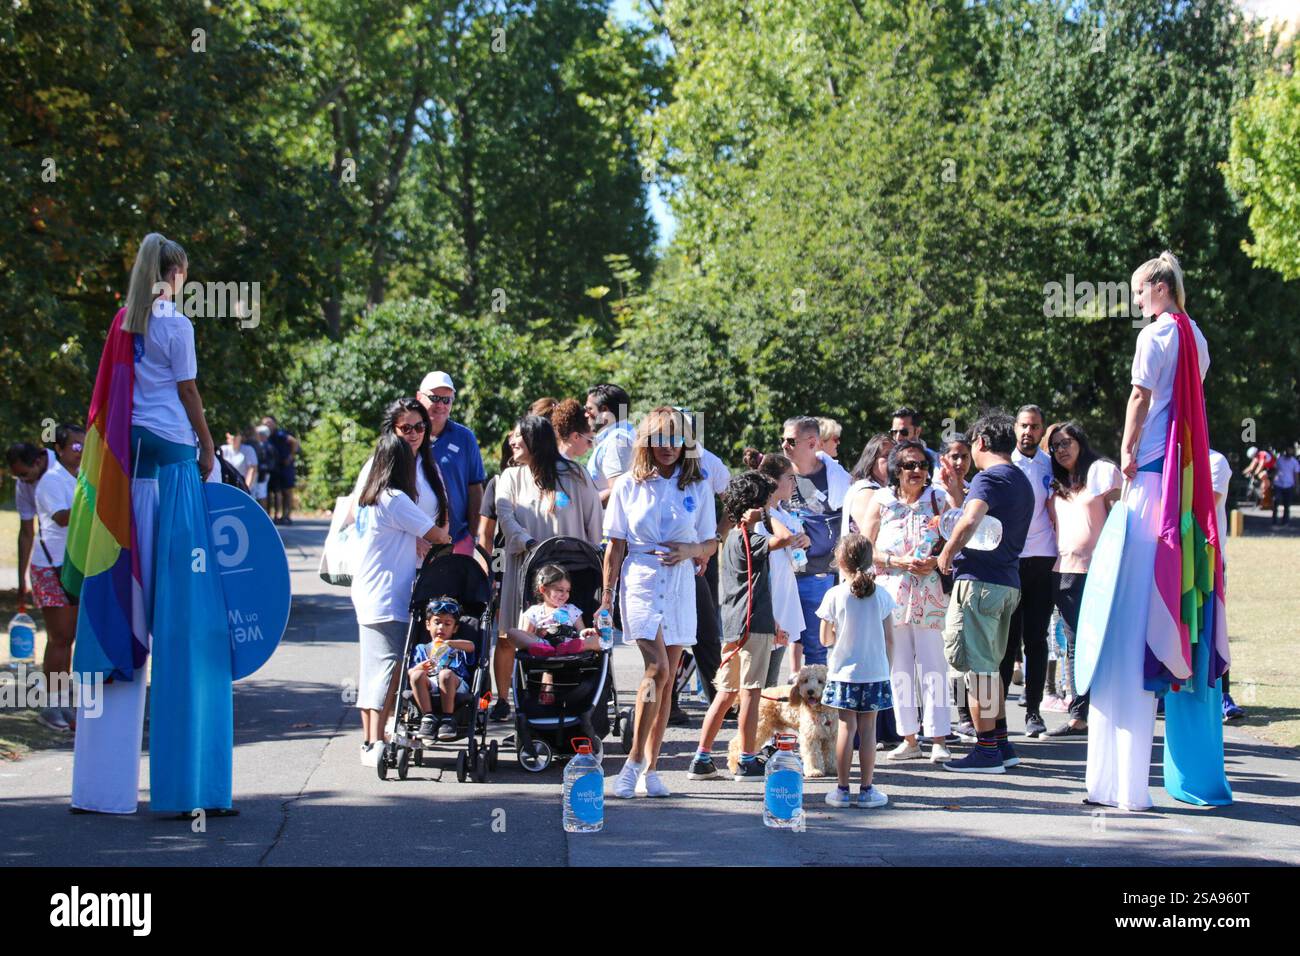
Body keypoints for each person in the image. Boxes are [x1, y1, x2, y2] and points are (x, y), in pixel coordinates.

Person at [66, 232, 236, 815]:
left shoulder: (122, 322)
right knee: (186, 624)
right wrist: (208, 445)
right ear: (176, 272)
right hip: (171, 470)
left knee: (120, 602)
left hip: (124, 478)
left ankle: (101, 789)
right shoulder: (176, 324)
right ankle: (188, 785)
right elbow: (187, 390)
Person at [1087, 251, 1229, 810]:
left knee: (1125, 625)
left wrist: (1124, 449)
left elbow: (1141, 396)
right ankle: (1129, 780)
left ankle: (1121, 784)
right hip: (1182, 490)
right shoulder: (1195, 335)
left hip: (1149, 484)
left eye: (1140, 292)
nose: (1137, 301)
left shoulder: (1155, 337)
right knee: (1151, 612)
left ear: (1160, 288)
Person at [599, 407, 717, 798]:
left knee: (667, 683)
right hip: (641, 578)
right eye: (660, 439)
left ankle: (652, 767)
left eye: (676, 438)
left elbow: (711, 541)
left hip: (681, 582)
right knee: (656, 669)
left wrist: (693, 549)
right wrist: (605, 598)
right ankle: (632, 762)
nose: (668, 447)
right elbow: (614, 545)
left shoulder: (697, 485)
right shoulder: (629, 486)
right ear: (647, 442)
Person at [937, 411, 1034, 773]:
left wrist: (947, 552)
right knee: (990, 670)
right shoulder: (1018, 480)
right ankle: (1002, 744)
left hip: (977, 584)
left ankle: (986, 751)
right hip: (1006, 583)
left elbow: (972, 519)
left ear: (979, 443)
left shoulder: (989, 477)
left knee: (977, 673)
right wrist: (956, 492)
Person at [351, 429, 452, 765]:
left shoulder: (369, 497)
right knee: (389, 669)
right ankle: (376, 741)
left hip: (367, 590)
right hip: (388, 593)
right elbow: (437, 534)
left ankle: (370, 739)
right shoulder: (395, 499)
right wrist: (442, 535)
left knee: (372, 669)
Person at [493, 416, 603, 719]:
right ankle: (510, 701)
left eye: (519, 436)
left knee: (568, 639)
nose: (513, 442)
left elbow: (593, 518)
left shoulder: (575, 473)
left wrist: (593, 553)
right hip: (526, 568)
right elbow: (506, 515)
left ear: (535, 439)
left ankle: (577, 703)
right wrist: (526, 542)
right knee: (518, 637)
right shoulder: (511, 477)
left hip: (573, 572)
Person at [862, 439, 964, 763]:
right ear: (896, 469)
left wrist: (935, 561)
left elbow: (957, 536)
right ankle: (909, 737)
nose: (917, 470)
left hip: (929, 592)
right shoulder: (880, 501)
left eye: (921, 464)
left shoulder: (937, 499)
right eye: (909, 465)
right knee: (899, 668)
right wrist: (896, 561)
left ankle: (938, 739)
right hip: (892, 592)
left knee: (934, 665)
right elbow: (864, 548)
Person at [688, 471, 783, 780]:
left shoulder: (730, 538)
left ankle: (701, 757)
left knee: (726, 692)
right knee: (751, 693)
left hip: (735, 623)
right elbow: (784, 539)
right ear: (756, 504)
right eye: (767, 500)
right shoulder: (749, 536)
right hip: (751, 625)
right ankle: (747, 758)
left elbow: (752, 585)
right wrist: (770, 516)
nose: (771, 505)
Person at [1042, 422, 1121, 738]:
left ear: (1081, 442)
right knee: (1075, 644)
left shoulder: (1102, 472)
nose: (1061, 449)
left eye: (1066, 442)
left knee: (1107, 641)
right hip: (1065, 574)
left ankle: (1113, 710)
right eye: (1056, 446)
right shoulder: (1057, 486)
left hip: (1100, 573)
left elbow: (1119, 519)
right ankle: (1079, 715)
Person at [818, 533, 896, 808]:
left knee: (845, 729)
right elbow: (889, 639)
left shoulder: (834, 595)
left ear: (841, 561)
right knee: (869, 730)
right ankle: (867, 789)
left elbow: (825, 639)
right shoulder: (883, 595)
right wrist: (888, 665)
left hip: (844, 673)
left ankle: (841, 789)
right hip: (874, 671)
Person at [781, 416, 851, 673]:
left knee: (816, 646)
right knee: (775, 642)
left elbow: (849, 526)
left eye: (790, 441)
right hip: (780, 574)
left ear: (811, 443)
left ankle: (819, 710)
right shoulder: (778, 474)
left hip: (817, 575)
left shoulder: (836, 479)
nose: (784, 446)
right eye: (783, 440)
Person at [1005, 404, 1058, 739]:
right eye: (1024, 426)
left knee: (1037, 640)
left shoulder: (1050, 465)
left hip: (1043, 560)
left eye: (1035, 427)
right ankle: (995, 719)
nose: (1028, 432)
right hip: (1010, 561)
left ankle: (1034, 712)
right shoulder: (1003, 463)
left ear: (1042, 431)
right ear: (1015, 428)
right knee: (1007, 641)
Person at [672, 429, 730, 725]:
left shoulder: (708, 461)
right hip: (667, 561)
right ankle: (667, 703)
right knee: (669, 634)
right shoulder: (654, 469)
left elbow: (733, 500)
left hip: (701, 555)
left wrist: (714, 540)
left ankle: (720, 698)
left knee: (705, 631)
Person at [29, 425, 84, 732]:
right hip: (50, 566)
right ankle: (50, 705)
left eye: (85, 446)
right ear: (60, 449)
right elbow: (63, 517)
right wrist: (95, 503)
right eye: (75, 446)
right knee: (59, 638)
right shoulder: (51, 481)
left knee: (70, 638)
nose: (81, 451)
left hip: (73, 565)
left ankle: (64, 701)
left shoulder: (81, 479)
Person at [352, 399, 450, 564]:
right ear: (393, 431)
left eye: (419, 427)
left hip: (428, 566)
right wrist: (413, 540)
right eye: (406, 428)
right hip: (392, 563)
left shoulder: (430, 466)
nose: (414, 434)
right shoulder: (377, 467)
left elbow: (444, 507)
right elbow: (361, 514)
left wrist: (440, 538)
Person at [743, 449, 808, 687]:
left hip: (783, 602)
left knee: (770, 679)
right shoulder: (759, 520)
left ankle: (764, 723)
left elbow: (797, 560)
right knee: (757, 683)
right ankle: (755, 723)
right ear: (772, 482)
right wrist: (770, 617)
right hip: (766, 606)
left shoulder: (784, 514)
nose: (794, 483)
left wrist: (804, 542)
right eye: (790, 477)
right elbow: (762, 566)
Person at [504, 564, 601, 706]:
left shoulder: (571, 609)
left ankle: (576, 646)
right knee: (512, 633)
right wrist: (537, 633)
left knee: (599, 639)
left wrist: (584, 633)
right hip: (543, 643)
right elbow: (526, 635)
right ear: (543, 589)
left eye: (567, 591)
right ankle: (541, 648)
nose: (564, 594)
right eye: (559, 590)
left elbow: (580, 630)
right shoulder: (534, 611)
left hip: (568, 643)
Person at [418, 370, 486, 556]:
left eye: (446, 399)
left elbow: (475, 488)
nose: (440, 404)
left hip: (456, 541)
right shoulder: (409, 434)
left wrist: (471, 537)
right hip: (414, 540)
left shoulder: (465, 438)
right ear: (419, 397)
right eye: (434, 398)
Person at [1208, 448, 1245, 723]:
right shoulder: (1165, 458)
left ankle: (1222, 694)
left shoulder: (1215, 461)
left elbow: (1207, 503)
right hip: (1169, 559)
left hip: (1209, 558)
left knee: (1214, 624)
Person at [409, 597, 475, 741]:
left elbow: (471, 646)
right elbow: (410, 673)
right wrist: (420, 667)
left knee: (445, 674)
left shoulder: (457, 646)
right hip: (430, 683)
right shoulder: (422, 648)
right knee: (416, 675)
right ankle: (428, 718)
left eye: (447, 624)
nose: (441, 627)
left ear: (455, 628)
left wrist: (450, 643)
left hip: (455, 684)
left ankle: (448, 718)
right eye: (437, 622)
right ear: (428, 625)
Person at [6, 441, 55, 610]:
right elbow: (26, 533)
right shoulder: (23, 484)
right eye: (17, 476)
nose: (22, 481)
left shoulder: (66, 464)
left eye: (24, 474)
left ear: (38, 462)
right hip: (49, 560)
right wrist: (21, 580)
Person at [584, 383, 635, 505]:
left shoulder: (616, 441)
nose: (585, 414)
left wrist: (582, 507)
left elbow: (619, 492)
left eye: (589, 409)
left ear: (605, 411)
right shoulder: (621, 435)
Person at [261, 415, 299, 525]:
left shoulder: (281, 434)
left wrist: (290, 457)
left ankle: (286, 515)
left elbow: (294, 442)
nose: (267, 425)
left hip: (285, 466)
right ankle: (272, 516)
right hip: (272, 467)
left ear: (274, 424)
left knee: (286, 491)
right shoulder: (264, 435)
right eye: (265, 423)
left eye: (269, 422)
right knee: (271, 492)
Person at [551, 398, 596, 464]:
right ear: (576, 436)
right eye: (589, 441)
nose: (591, 446)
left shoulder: (551, 461)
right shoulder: (569, 468)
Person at [1272, 445, 1297, 525]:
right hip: (1278, 483)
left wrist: (1297, 485)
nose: (1289, 452)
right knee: (1276, 501)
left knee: (1287, 504)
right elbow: (1275, 470)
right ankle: (1274, 520)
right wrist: (1273, 481)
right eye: (1288, 450)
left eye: (1290, 450)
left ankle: (1285, 521)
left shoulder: (1294, 462)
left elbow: (1296, 474)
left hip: (1289, 484)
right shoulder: (1279, 460)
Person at [252, 423, 275, 509]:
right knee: (256, 493)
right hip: (259, 472)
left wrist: (264, 468)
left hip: (263, 473)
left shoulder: (267, 446)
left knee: (262, 493)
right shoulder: (259, 445)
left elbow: (270, 461)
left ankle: (264, 512)